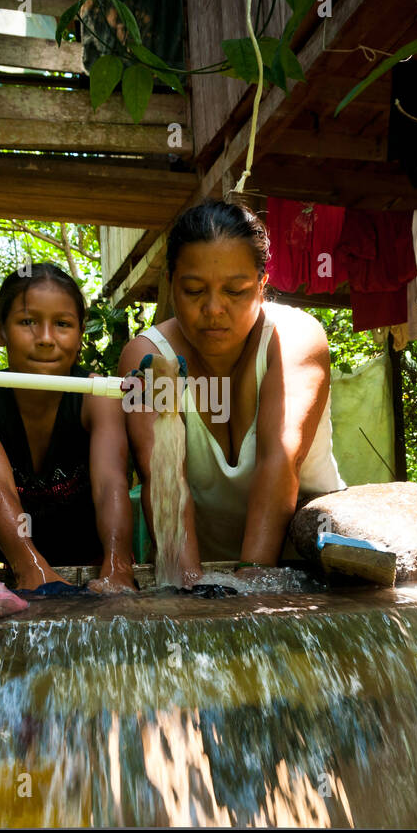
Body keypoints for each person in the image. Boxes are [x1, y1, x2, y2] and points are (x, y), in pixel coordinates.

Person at [118, 199, 344, 585]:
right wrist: (188, 585)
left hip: (310, 568)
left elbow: (281, 458)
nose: (214, 309)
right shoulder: (148, 356)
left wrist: (252, 580)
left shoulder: (296, 337)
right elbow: (161, 474)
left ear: (261, 286)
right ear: (172, 285)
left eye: (236, 291)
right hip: (203, 570)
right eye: (193, 290)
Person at [0, 263, 135, 593]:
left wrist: (118, 568)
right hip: (17, 569)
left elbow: (111, 486)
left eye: (62, 324)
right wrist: (30, 568)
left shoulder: (99, 396)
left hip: (93, 569)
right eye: (28, 322)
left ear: (80, 334)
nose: (46, 339)